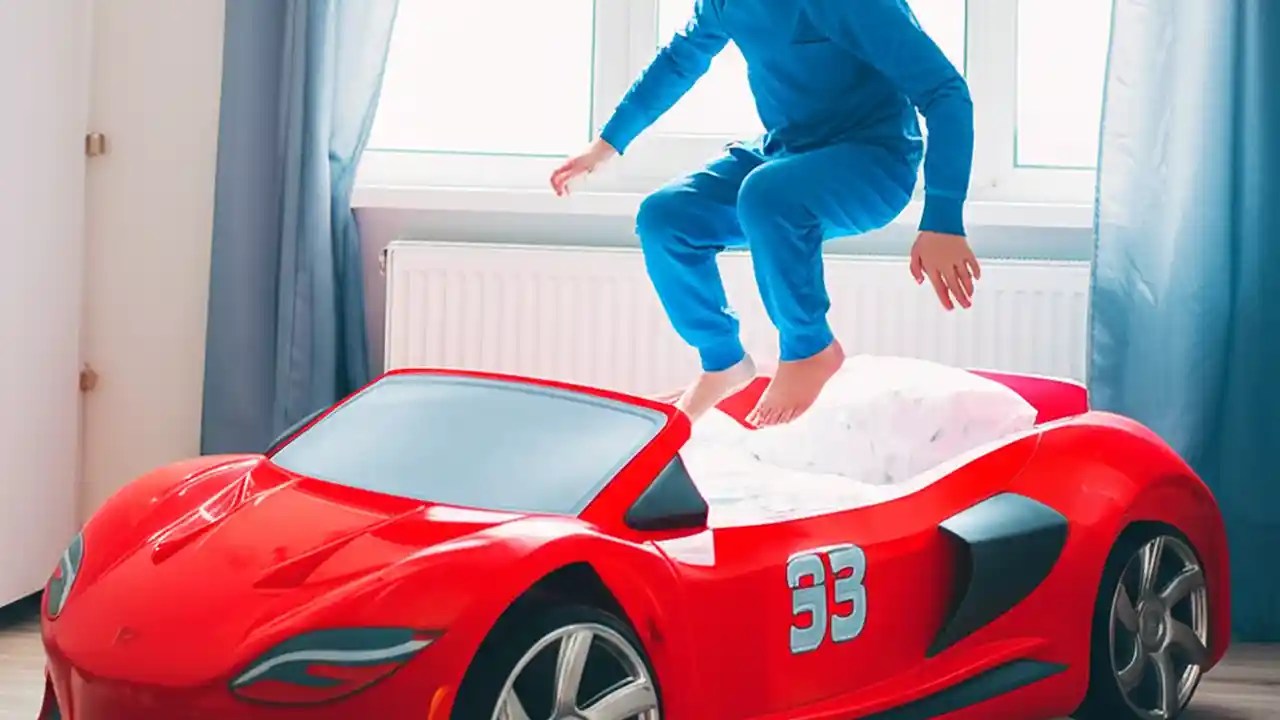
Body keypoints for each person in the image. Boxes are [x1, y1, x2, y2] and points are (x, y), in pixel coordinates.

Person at [550, 0, 980, 426]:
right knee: (664, 218)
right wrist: (605, 145)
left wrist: (943, 216)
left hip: (874, 163)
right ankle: (723, 362)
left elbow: (945, 92)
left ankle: (810, 348)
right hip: (785, 152)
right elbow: (679, 61)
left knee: (766, 193)